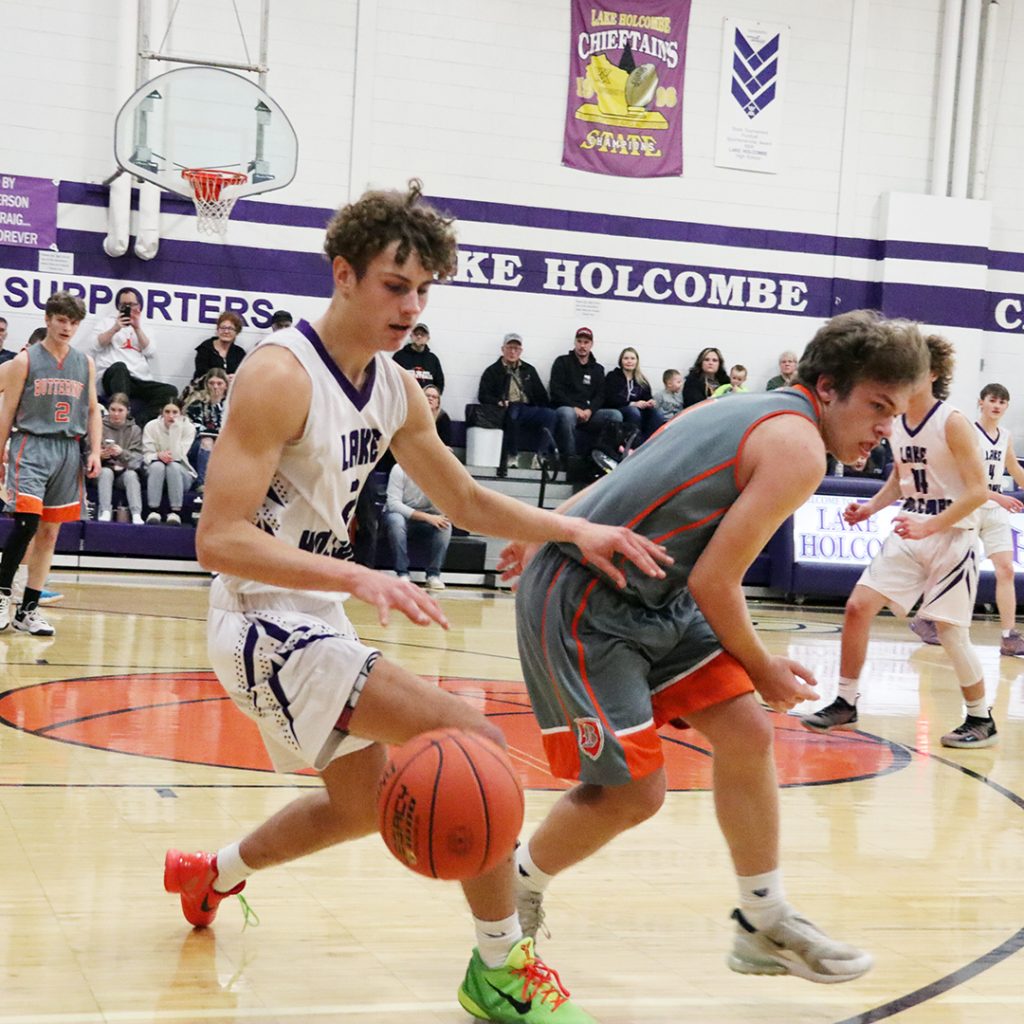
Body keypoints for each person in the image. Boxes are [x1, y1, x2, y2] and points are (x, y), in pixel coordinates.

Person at [162, 180, 667, 1024]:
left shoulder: (394, 385)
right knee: (468, 739)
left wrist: (573, 531)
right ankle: (499, 968)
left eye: (424, 289)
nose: (411, 305)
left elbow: (466, 501)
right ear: (344, 274)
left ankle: (209, 874)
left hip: (311, 612)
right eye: (396, 285)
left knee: (360, 808)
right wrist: (358, 576)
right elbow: (217, 540)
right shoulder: (279, 376)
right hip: (257, 615)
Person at [501, 309, 929, 986]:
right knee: (632, 796)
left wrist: (548, 524)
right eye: (877, 406)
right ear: (826, 388)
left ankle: (763, 921)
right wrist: (762, 667)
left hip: (652, 589)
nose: (886, 428)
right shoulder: (799, 449)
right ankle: (515, 886)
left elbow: (634, 479)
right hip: (589, 595)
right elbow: (715, 580)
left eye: (897, 411)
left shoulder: (743, 406)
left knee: (746, 735)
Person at [801, 333, 997, 748]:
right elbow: (899, 478)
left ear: (934, 374)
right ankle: (846, 701)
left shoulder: (953, 421)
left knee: (949, 630)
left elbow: (978, 490)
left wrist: (932, 525)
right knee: (857, 607)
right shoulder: (898, 420)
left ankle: (981, 717)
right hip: (911, 527)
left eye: (917, 367)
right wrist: (869, 509)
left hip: (953, 533)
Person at [0, 291, 101, 636]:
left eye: (73, 322)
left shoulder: (85, 363)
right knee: (27, 524)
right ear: (47, 319)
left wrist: (96, 450)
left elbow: (91, 410)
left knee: (50, 532)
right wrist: (0, 453)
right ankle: (1, 595)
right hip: (31, 445)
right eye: (61, 320)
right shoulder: (25, 361)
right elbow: (8, 411)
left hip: (67, 450)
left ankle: (27, 611)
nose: (67, 327)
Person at [909, 382, 1024, 657]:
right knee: (953, 566)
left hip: (995, 508)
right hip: (969, 503)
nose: (997, 405)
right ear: (981, 402)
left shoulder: (1005, 436)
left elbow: (1014, 468)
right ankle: (926, 617)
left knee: (1005, 569)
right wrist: (997, 498)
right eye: (992, 400)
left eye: (1002, 402)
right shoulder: (967, 431)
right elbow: (962, 475)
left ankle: (1009, 636)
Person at [86, 286, 178, 424]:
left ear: (139, 306)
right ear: (118, 306)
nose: (128, 307)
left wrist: (137, 328)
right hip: (113, 376)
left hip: (137, 378)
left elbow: (150, 352)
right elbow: (95, 345)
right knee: (120, 367)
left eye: (132, 304)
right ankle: (124, 417)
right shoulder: (106, 322)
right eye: (124, 305)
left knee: (170, 391)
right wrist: (115, 328)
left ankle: (136, 424)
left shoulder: (144, 326)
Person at [477, 332, 557, 472]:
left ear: (521, 351)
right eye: (509, 348)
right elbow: (483, 395)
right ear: (503, 349)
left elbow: (541, 395)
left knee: (551, 415)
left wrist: (541, 407)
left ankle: (540, 457)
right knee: (514, 412)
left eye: (516, 349)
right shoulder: (493, 371)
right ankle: (512, 455)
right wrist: (498, 402)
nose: (512, 352)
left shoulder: (529, 370)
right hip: (507, 408)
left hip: (527, 408)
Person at [549, 327, 621, 466]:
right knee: (566, 413)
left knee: (615, 415)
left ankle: (603, 458)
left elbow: (601, 395)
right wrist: (574, 408)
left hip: (589, 413)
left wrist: (590, 410)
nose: (582, 345)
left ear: (591, 344)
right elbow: (556, 390)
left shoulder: (598, 369)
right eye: (579, 341)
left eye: (586, 342)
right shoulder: (562, 362)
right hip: (568, 410)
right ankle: (570, 460)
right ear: (575, 342)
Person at [384, 461, 452, 590]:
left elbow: (442, 510)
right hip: (401, 514)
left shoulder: (440, 474)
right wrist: (427, 517)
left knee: (445, 525)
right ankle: (402, 573)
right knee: (396, 521)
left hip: (427, 517)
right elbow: (393, 504)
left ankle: (433, 574)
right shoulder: (399, 469)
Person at [143, 400, 197, 525]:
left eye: (175, 412)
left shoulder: (189, 428)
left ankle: (175, 513)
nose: (171, 416)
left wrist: (175, 430)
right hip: (156, 472)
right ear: (162, 413)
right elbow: (146, 456)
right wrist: (158, 455)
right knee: (157, 465)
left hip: (182, 474)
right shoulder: (151, 426)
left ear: (181, 414)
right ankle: (153, 511)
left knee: (173, 466)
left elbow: (178, 456)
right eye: (167, 412)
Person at [96, 392, 145, 523]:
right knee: (106, 473)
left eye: (120, 410)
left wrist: (121, 453)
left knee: (131, 476)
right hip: (102, 471)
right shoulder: (98, 426)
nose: (116, 414)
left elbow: (137, 460)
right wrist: (99, 456)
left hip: (125, 471)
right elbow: (87, 453)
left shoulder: (135, 430)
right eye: (113, 410)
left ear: (127, 411)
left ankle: (136, 513)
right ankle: (105, 510)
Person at [602, 346, 665, 443]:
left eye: (632, 358)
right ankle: (632, 443)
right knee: (633, 411)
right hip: (620, 408)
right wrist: (632, 403)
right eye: (626, 358)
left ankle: (646, 443)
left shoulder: (641, 379)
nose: (629, 361)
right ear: (621, 361)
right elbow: (609, 399)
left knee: (658, 414)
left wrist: (650, 402)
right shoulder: (613, 376)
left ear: (637, 361)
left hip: (639, 410)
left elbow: (647, 397)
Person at [184, 368, 228, 495]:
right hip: (198, 442)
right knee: (207, 442)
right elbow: (190, 424)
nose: (215, 387)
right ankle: (202, 483)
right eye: (212, 383)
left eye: (219, 383)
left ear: (225, 386)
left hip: (224, 441)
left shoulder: (231, 404)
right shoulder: (197, 403)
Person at [191, 311, 246, 387]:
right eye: (223, 328)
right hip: (205, 391)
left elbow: (244, 376)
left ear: (236, 332)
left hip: (230, 392)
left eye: (230, 328)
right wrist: (223, 379)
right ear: (217, 330)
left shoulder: (240, 353)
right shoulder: (205, 348)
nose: (226, 331)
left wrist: (237, 378)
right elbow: (201, 374)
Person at [392, 321, 444, 391]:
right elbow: (391, 379)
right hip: (404, 400)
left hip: (425, 400)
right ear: (411, 336)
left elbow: (439, 384)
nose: (419, 336)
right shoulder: (399, 356)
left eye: (422, 334)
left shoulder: (433, 359)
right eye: (416, 334)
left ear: (428, 338)